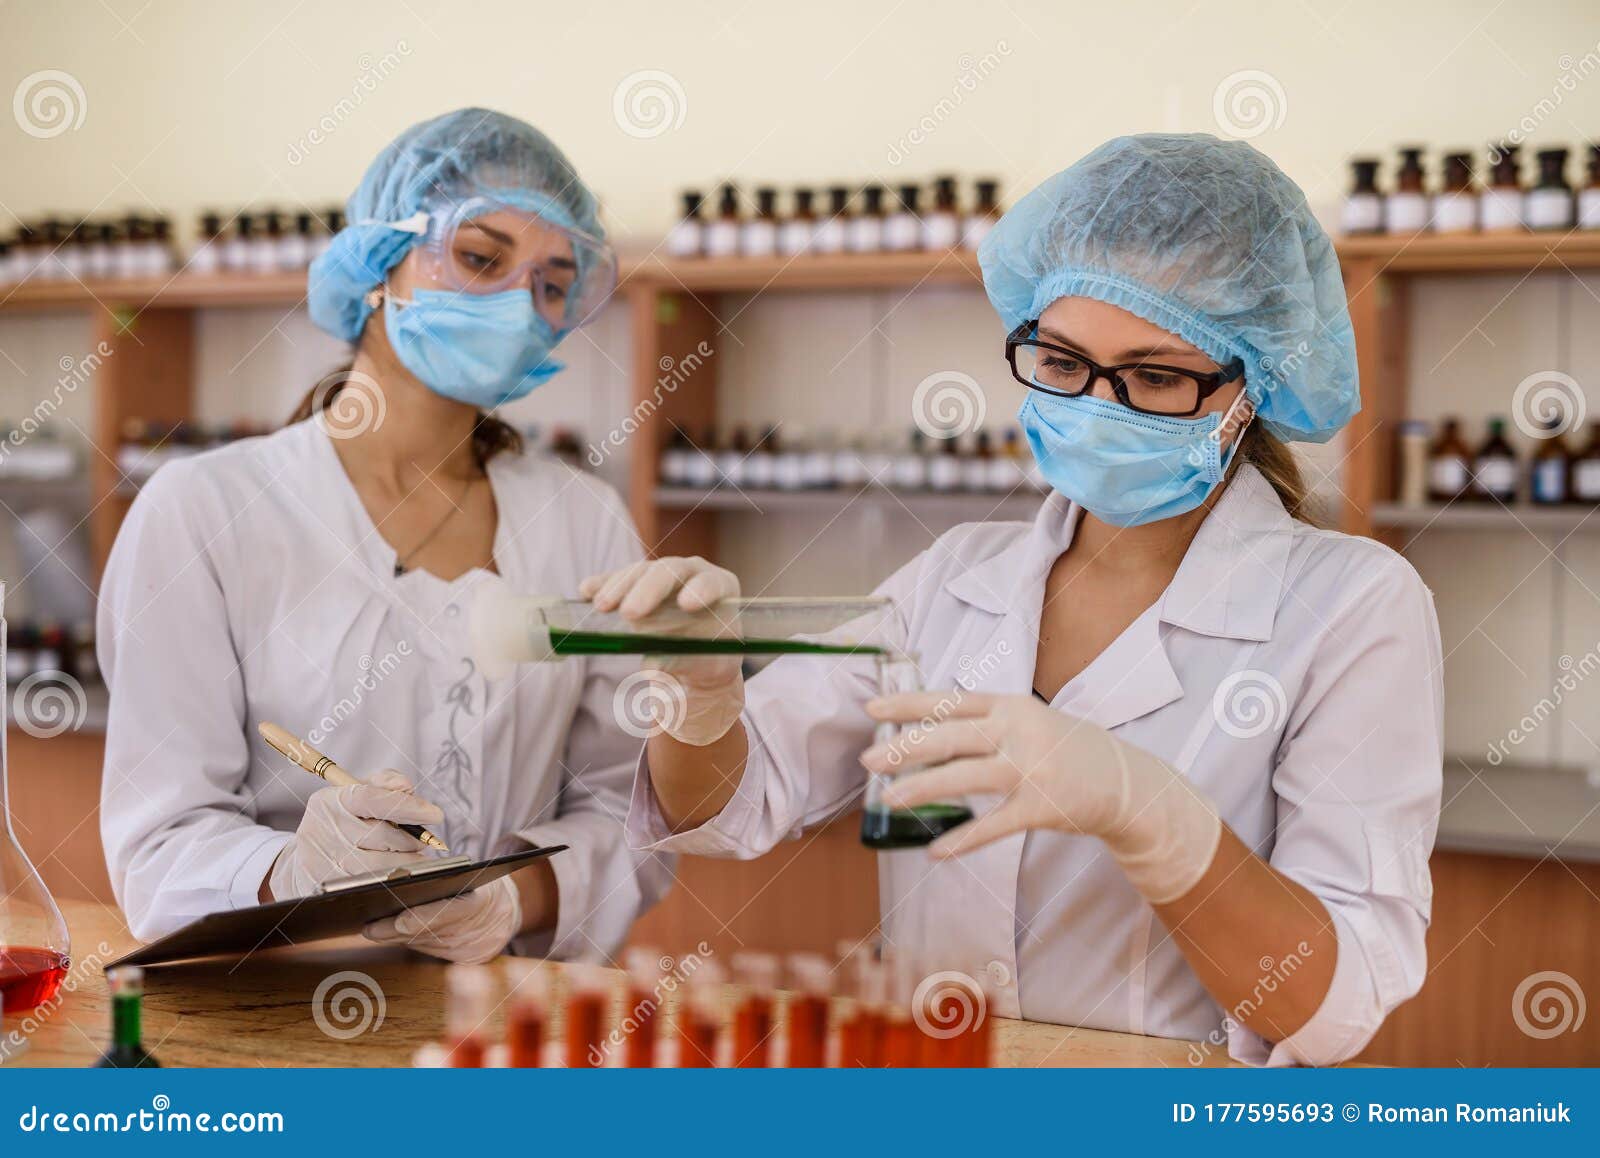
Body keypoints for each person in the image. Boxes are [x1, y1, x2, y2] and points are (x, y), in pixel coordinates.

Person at [586, 135, 1442, 1065]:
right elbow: (735, 807)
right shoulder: (955, 577)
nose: (1098, 404)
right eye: (1063, 361)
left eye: (1156, 378)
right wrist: (701, 701)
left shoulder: (1352, 606)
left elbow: (1333, 1004)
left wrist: (1153, 817)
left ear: (1255, 385)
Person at [99, 108, 670, 963]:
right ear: (375, 264)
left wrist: (507, 901)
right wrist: (293, 871)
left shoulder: (582, 523)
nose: (518, 303)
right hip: (275, 1033)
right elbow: (160, 842)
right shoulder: (207, 509)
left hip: (500, 1032)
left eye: (551, 283)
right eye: (480, 259)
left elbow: (628, 814)